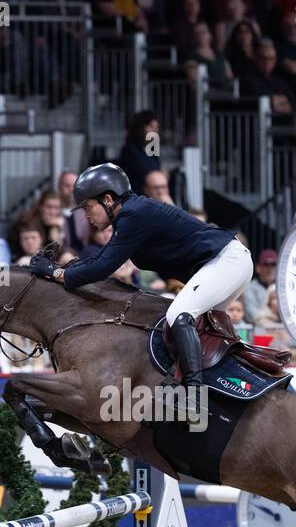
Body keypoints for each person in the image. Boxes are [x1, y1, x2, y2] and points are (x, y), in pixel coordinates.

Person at [29, 162, 250, 390]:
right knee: (203, 330)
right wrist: (58, 269)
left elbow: (101, 267)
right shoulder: (132, 214)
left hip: (227, 261)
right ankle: (224, 385)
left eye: (87, 207)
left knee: (178, 314)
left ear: (107, 199)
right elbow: (99, 259)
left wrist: (55, 272)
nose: (86, 216)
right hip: (228, 262)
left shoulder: (134, 214)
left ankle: (193, 395)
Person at [243, 248, 277, 324]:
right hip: (257, 333)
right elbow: (253, 316)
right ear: (258, 268)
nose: (270, 269)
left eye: (273, 265)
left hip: (281, 332)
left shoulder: (282, 288)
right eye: (266, 265)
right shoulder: (249, 288)